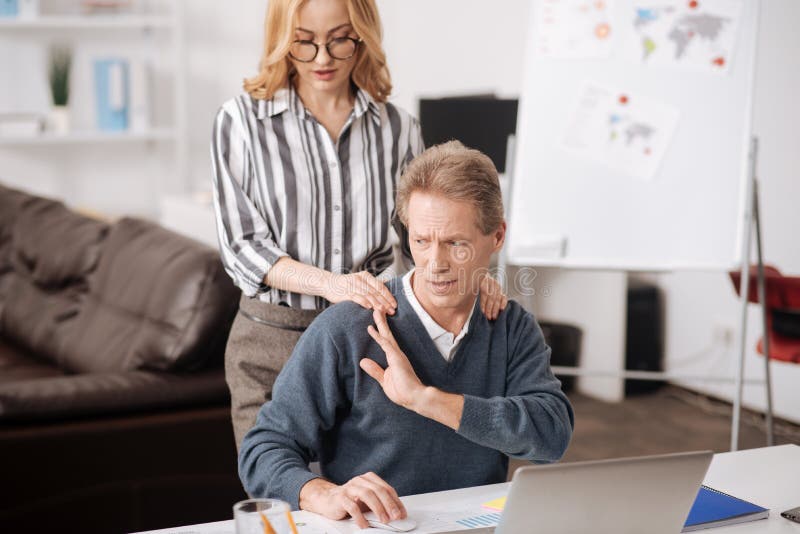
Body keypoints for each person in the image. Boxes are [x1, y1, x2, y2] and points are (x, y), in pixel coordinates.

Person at [210, 0, 507, 448]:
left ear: (364, 35)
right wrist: (332, 284)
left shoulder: (398, 129)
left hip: (369, 340)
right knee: (284, 494)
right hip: (272, 343)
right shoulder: (241, 123)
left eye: (340, 39)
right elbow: (242, 246)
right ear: (280, 40)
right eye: (304, 43)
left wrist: (473, 275)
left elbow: (419, 240)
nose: (323, 59)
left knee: (367, 504)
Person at [238, 141, 574, 528]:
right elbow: (263, 449)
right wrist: (322, 492)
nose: (435, 263)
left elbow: (551, 437)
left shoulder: (511, 327)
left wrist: (425, 400)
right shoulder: (346, 328)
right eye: (421, 241)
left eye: (455, 244)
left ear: (497, 237)